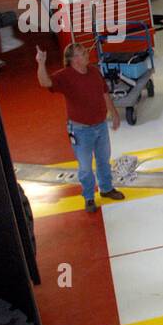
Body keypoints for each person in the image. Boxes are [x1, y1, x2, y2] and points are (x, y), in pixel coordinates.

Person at [36, 43, 126, 214]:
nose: (86, 54)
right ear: (73, 59)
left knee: (103, 160)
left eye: (85, 51)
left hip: (100, 125)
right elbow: (44, 82)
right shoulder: (65, 76)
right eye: (82, 53)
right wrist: (41, 63)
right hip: (80, 130)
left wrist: (113, 113)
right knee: (85, 166)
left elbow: (104, 92)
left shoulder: (93, 71)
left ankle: (106, 188)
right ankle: (89, 197)